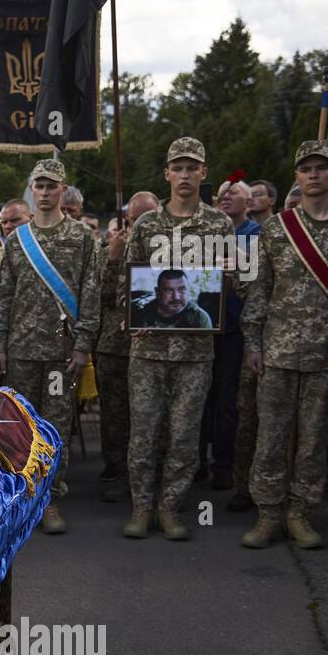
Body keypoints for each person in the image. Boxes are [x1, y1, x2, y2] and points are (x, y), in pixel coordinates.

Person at [240, 140, 328, 549]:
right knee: (271, 437)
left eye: (322, 167)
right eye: (306, 169)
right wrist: (253, 343)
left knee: (313, 439)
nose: (314, 175)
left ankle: (301, 512)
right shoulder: (277, 228)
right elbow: (260, 290)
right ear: (297, 176)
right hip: (278, 350)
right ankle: (268, 514)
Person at [122, 137, 234, 540]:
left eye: (193, 168)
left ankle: (170, 508)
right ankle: (141, 506)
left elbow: (240, 283)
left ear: (204, 173)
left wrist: (231, 269)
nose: (185, 175)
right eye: (178, 168)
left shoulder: (220, 224)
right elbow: (128, 282)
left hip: (195, 351)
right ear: (167, 174)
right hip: (149, 349)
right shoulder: (147, 224)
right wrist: (131, 319)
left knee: (185, 433)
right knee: (145, 430)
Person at [0, 160, 101, 534]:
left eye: (51, 185)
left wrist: (83, 344)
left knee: (54, 426)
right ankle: (22, 495)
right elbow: (3, 295)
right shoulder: (18, 240)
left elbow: (90, 293)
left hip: (60, 353)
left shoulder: (82, 238)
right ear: (31, 189)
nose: (44, 191)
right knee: (20, 427)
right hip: (21, 351)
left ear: (62, 189)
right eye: (39, 184)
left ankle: (51, 498)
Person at [95, 190, 158, 502]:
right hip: (114, 344)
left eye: (146, 219)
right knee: (115, 415)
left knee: (149, 414)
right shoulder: (112, 248)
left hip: (154, 344)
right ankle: (117, 471)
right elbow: (100, 299)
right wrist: (112, 259)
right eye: (134, 220)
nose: (138, 226)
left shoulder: (165, 245)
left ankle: (148, 476)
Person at [202, 179, 261, 493]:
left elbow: (260, 277)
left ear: (249, 202)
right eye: (222, 191)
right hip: (199, 328)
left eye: (234, 191)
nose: (226, 194)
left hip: (234, 329)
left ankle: (223, 466)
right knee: (199, 401)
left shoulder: (257, 235)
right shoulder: (204, 231)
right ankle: (196, 462)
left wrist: (238, 261)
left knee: (227, 403)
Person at [130, 269, 213, 327]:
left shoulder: (198, 317)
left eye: (181, 290)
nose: (176, 297)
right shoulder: (140, 314)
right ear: (157, 292)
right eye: (168, 290)